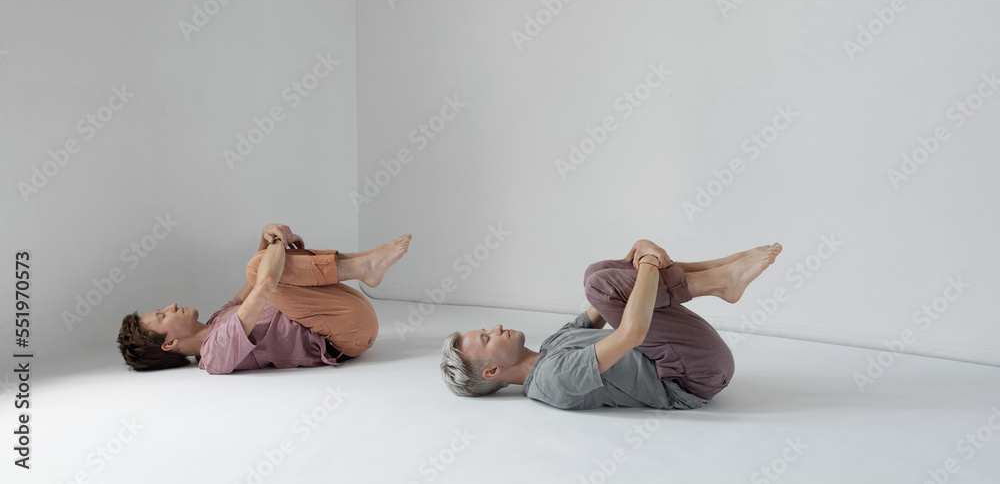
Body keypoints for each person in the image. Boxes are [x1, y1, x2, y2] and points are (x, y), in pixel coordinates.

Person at [440, 239, 782, 410]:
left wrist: (635, 250)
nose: (496, 327)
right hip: (691, 377)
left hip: (682, 358)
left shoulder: (548, 348)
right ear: (491, 372)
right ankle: (719, 279)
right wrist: (648, 260)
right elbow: (632, 333)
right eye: (487, 338)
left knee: (596, 275)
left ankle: (721, 272)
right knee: (601, 284)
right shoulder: (550, 380)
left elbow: (605, 303)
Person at [117, 223, 411, 374]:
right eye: (162, 315)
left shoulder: (218, 320)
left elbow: (254, 281)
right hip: (344, 336)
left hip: (336, 314)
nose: (170, 307)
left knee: (260, 265)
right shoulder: (214, 355)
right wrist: (279, 242)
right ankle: (363, 267)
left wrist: (266, 236)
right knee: (263, 268)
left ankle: (365, 264)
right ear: (169, 344)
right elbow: (265, 284)